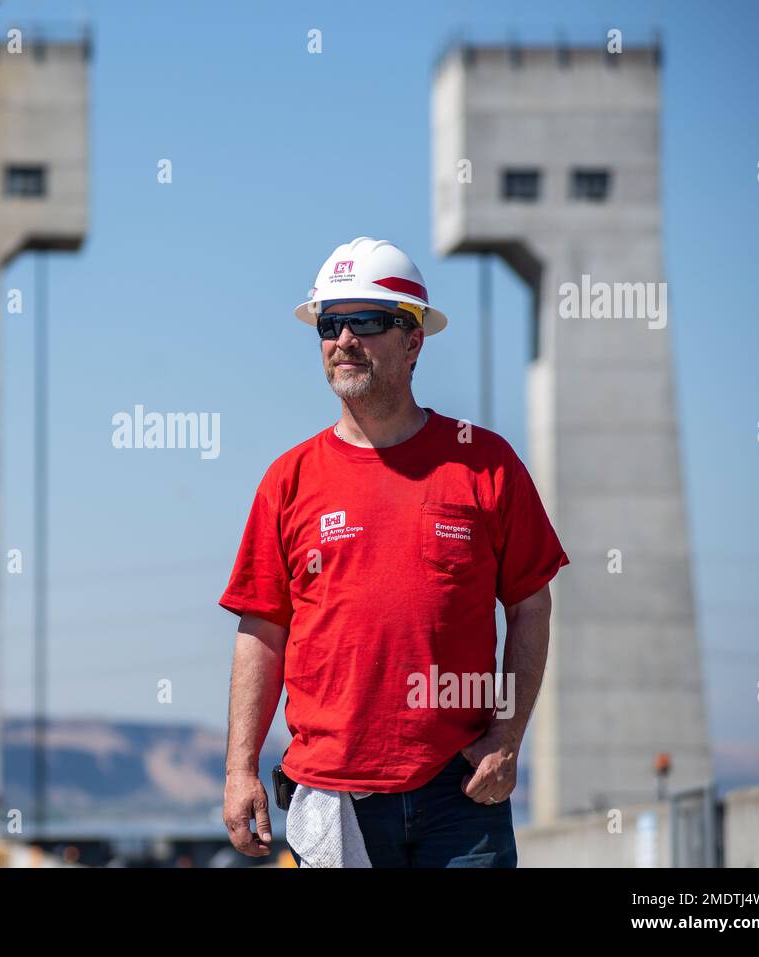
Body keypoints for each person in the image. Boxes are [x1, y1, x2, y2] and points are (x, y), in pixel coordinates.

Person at [218, 237, 569, 867]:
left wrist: (508, 738)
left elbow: (530, 607)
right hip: (331, 794)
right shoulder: (288, 479)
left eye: (369, 321)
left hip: (461, 792)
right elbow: (261, 630)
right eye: (331, 323)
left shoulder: (485, 463)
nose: (344, 339)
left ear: (414, 342)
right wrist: (239, 768)